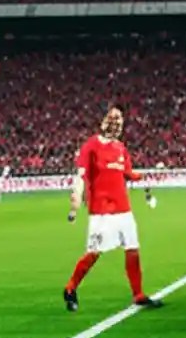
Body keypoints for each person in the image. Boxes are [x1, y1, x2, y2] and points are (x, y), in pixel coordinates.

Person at [63, 107, 164, 312]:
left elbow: (126, 173)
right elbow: (81, 176)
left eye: (120, 121)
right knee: (94, 252)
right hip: (102, 210)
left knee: (132, 248)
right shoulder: (91, 146)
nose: (116, 124)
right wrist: (75, 204)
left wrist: (142, 178)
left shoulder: (121, 148)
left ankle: (138, 294)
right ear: (104, 121)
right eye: (113, 119)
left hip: (123, 209)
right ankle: (70, 287)